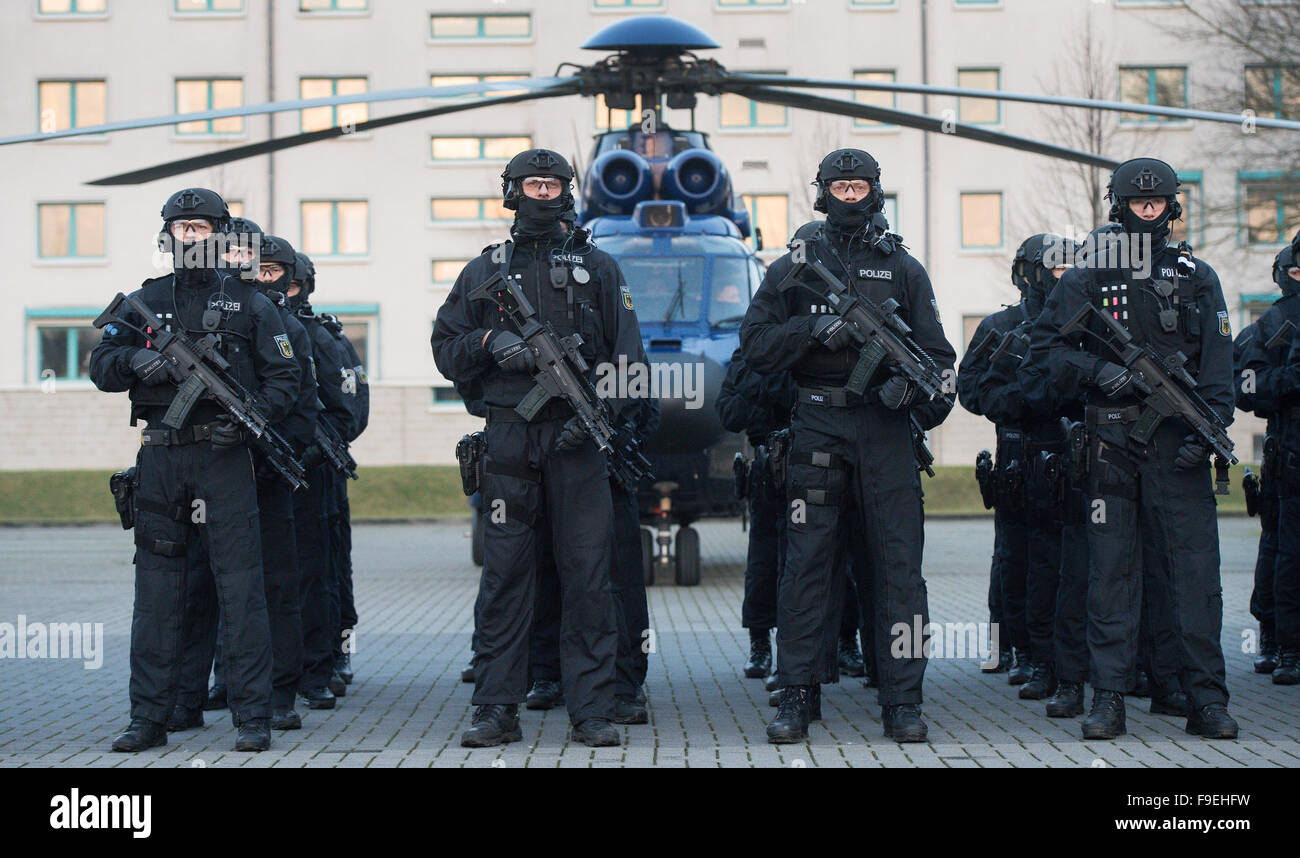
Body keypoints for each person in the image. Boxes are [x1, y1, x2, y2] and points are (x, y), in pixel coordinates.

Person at [740, 148, 956, 744]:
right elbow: (754, 343)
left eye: (860, 185)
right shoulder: (794, 268)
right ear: (823, 191)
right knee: (806, 567)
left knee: (897, 571)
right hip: (816, 425)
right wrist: (813, 330)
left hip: (885, 433)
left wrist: (903, 396)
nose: (851, 194)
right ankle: (797, 693)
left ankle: (903, 700)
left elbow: (939, 365)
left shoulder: (904, 269)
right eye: (841, 185)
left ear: (876, 191)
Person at [431, 148, 645, 748]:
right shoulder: (482, 272)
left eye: (553, 185)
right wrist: (489, 340)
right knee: (505, 577)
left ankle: (592, 710)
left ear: (567, 193)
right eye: (533, 184)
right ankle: (497, 707)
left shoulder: (600, 269)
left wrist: (600, 416)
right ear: (512, 190)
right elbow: (445, 347)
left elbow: (630, 363)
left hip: (578, 443)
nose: (543, 194)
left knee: (588, 576)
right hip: (509, 439)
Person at [1023, 157, 1239, 739]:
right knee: (1111, 576)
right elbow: (1045, 352)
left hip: (1179, 446)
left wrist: (1210, 428)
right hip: (1114, 441)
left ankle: (1205, 699)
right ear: (1118, 205)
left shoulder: (1198, 275)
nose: (1150, 208)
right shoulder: (1088, 276)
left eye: (1158, 201)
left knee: (1194, 577)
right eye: (1139, 201)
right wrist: (1099, 372)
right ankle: (1110, 697)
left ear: (1172, 206)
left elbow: (1219, 368)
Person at [89, 188, 298, 752]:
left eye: (201, 227)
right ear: (168, 236)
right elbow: (102, 366)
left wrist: (250, 420)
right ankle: (148, 718)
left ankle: (252, 717)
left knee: (240, 587)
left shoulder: (253, 304)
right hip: (160, 455)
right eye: (182, 229)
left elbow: (284, 380)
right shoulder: (144, 301)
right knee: (157, 591)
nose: (192, 237)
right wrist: (138, 359)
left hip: (224, 458)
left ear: (221, 234)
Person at [173, 224, 317, 734]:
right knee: (198, 586)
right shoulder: (200, 308)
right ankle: (195, 691)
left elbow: (300, 401)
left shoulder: (274, 317)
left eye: (248, 256)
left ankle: (277, 693)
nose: (239, 263)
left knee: (270, 585)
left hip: (264, 470)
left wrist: (272, 450)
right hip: (209, 469)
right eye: (230, 252)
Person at [286, 251, 357, 709]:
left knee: (324, 572)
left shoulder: (322, 337)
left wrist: (312, 449)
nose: (277, 292)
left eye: (287, 283)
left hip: (316, 471)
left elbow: (349, 409)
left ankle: (330, 658)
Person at [1239, 234, 1300, 685]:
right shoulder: (1274, 323)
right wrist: (1290, 380)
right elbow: (1246, 386)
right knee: (1286, 553)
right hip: (1292, 452)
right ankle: (1283, 643)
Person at [716, 349, 794, 683]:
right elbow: (728, 413)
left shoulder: (799, 348)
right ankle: (759, 644)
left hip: (805, 459)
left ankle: (844, 640)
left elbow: (795, 397)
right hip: (766, 466)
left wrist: (766, 383)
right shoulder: (745, 357)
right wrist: (759, 385)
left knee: (818, 559)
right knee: (762, 563)